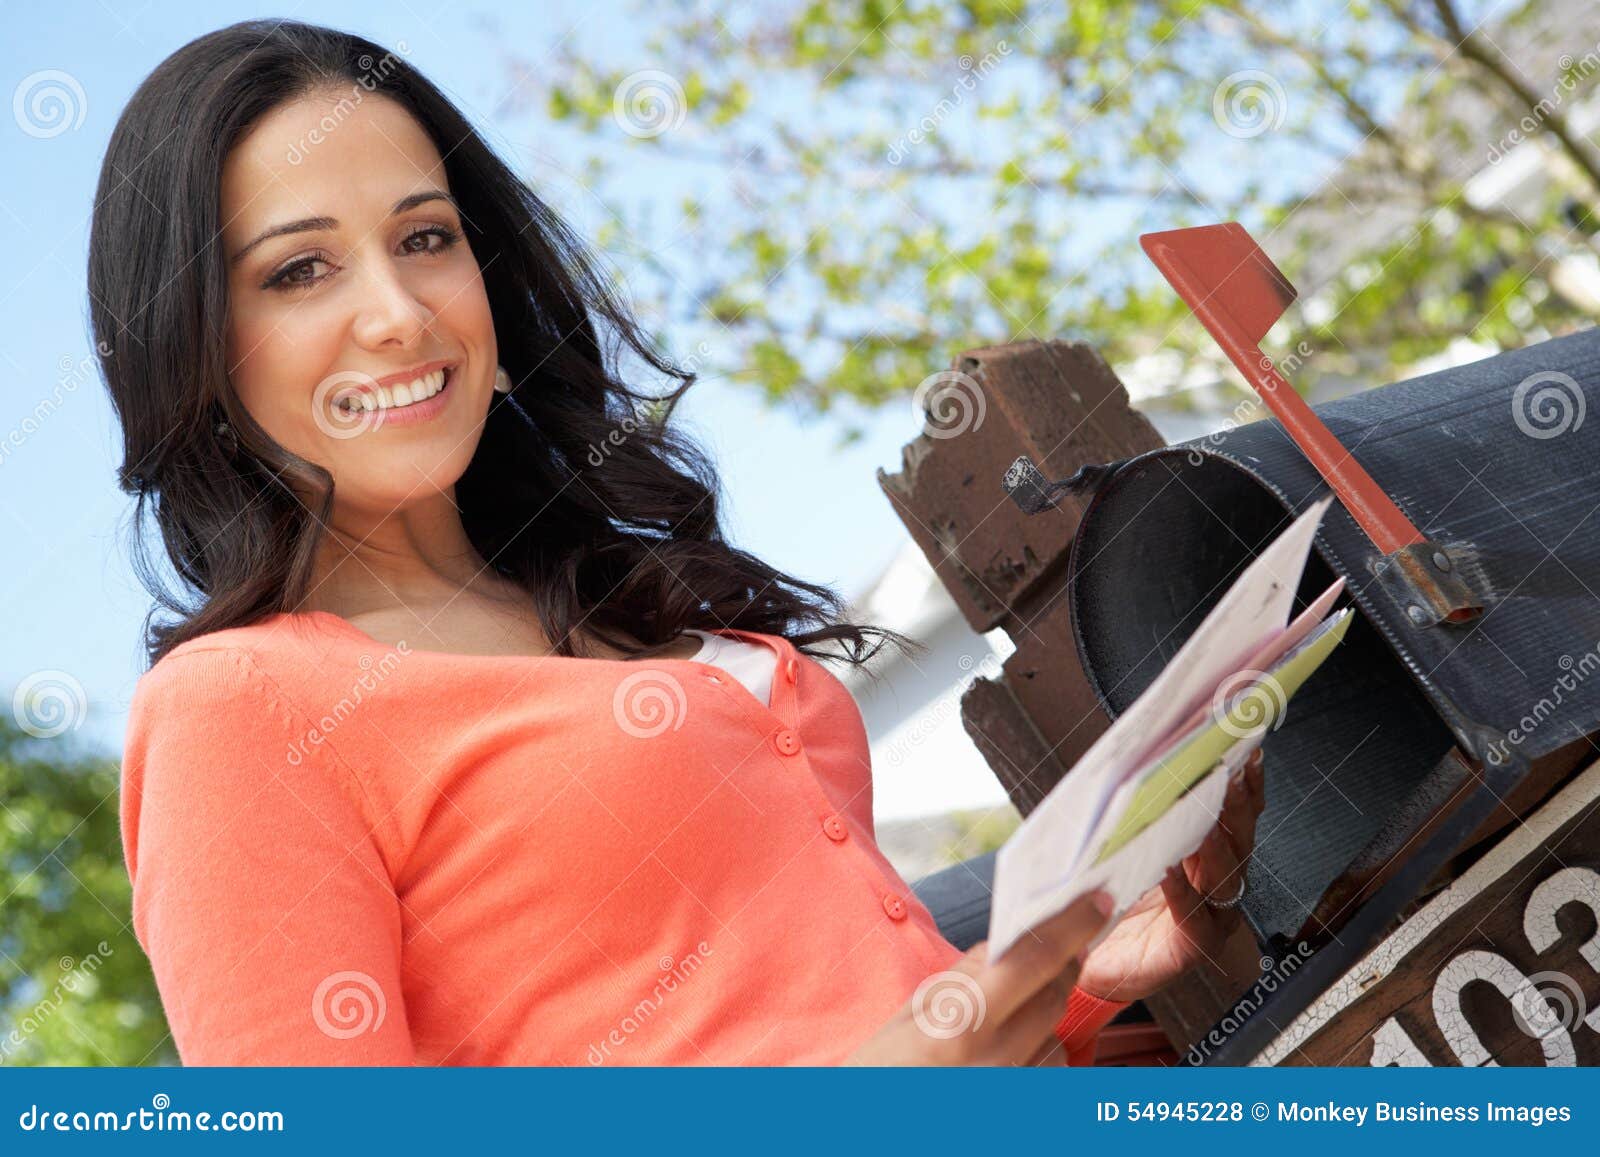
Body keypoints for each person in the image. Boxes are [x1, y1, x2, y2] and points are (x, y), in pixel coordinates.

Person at [95, 19, 1264, 1066]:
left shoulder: (624, 602)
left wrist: (1082, 973)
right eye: (299, 269)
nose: (400, 311)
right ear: (194, 350)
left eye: (426, 237)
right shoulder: (241, 709)